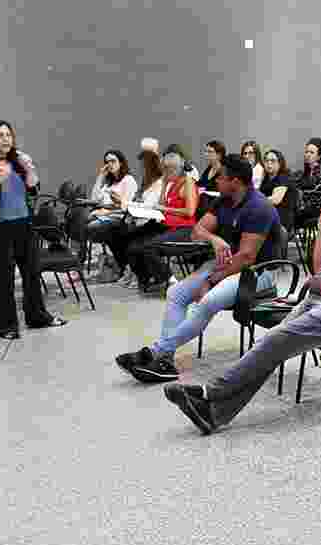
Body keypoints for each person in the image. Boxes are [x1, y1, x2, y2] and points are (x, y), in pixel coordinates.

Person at [160, 171, 321, 432]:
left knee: (272, 342)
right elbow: (320, 267)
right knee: (271, 346)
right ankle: (214, 415)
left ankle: (209, 393)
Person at [115, 155, 279, 382]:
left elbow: (246, 257)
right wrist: (215, 240)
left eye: (221, 177)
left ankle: (155, 352)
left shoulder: (259, 207)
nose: (216, 181)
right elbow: (197, 231)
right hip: (226, 264)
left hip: (258, 272)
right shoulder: (224, 200)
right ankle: (165, 360)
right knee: (176, 293)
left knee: (208, 300)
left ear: (236, 181)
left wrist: (211, 280)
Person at [0, 118, 66, 339]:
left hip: (23, 224)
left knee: (31, 273)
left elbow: (33, 190)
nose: (6, 139)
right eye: (0, 135)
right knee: (4, 278)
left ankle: (37, 317)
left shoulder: (19, 161)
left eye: (8, 135)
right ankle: (7, 326)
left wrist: (30, 170)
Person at [125, 148, 200, 292]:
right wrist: (165, 184)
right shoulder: (171, 184)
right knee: (132, 246)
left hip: (184, 229)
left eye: (171, 167)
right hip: (166, 225)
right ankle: (147, 278)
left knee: (149, 247)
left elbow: (189, 212)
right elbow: (161, 205)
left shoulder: (188, 183)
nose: (168, 170)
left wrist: (164, 209)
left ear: (181, 165)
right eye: (166, 167)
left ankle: (171, 281)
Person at [109, 144, 166, 287]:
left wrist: (124, 202)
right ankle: (132, 270)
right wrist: (129, 203)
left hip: (154, 222)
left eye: (144, 165)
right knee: (115, 233)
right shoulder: (145, 183)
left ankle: (139, 273)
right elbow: (137, 202)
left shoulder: (160, 183)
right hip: (140, 220)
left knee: (124, 235)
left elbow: (150, 207)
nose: (142, 169)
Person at [85, 149, 139, 275]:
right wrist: (100, 176)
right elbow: (94, 199)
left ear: (121, 163)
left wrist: (105, 212)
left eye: (113, 161)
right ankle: (120, 266)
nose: (110, 164)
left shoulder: (128, 180)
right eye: (107, 162)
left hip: (120, 217)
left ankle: (122, 266)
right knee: (84, 221)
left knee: (92, 226)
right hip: (106, 215)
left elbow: (127, 207)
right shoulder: (108, 183)